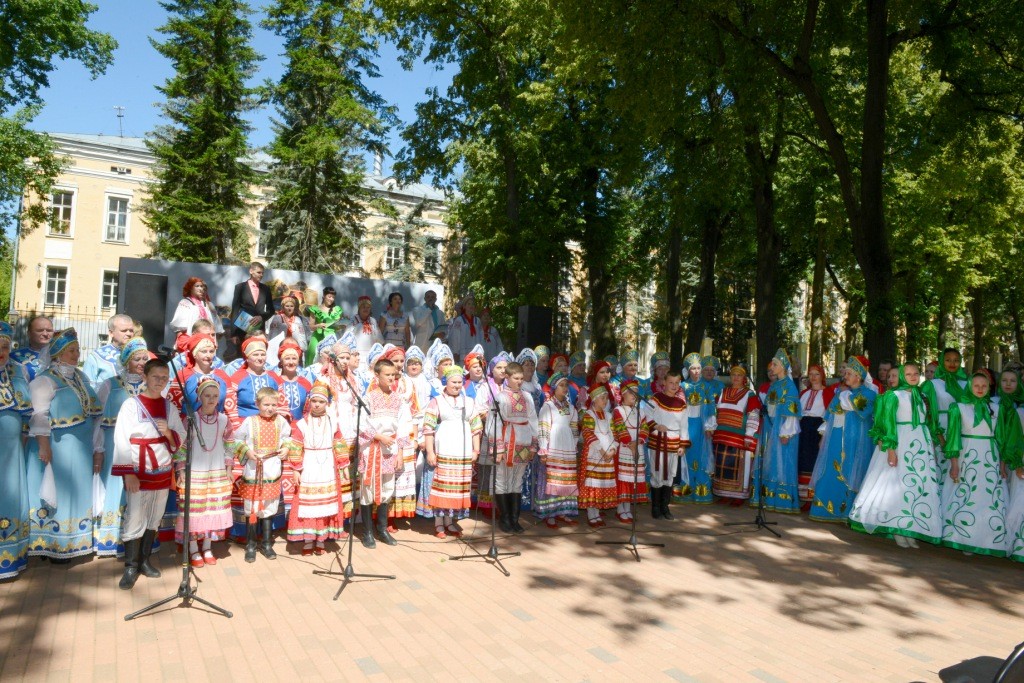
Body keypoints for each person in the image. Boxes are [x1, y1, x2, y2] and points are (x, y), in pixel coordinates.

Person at [849, 363, 942, 548]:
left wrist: (931, 444)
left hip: (920, 446)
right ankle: (895, 527)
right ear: (901, 375)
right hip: (902, 443)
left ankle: (910, 527)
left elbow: (929, 422)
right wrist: (891, 450)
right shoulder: (893, 396)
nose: (913, 376)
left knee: (915, 485)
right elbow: (889, 424)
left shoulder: (922, 396)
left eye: (916, 373)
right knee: (898, 484)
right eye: (908, 374)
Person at [28, 329, 102, 561]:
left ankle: (72, 542)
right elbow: (39, 415)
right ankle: (51, 545)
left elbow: (96, 415)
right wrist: (43, 446)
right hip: (57, 448)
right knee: (58, 495)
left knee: (77, 494)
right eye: (71, 350)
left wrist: (97, 448)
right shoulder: (45, 380)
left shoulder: (80, 377)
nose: (76, 354)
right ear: (58, 353)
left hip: (79, 449)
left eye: (78, 350)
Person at [112, 358, 185, 589]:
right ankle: (130, 566)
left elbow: (180, 437)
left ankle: (144, 561)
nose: (160, 382)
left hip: (162, 470)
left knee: (154, 515)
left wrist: (170, 433)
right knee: (135, 515)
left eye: (164, 378)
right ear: (145, 377)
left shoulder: (168, 406)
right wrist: (128, 474)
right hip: (139, 470)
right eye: (156, 377)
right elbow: (122, 440)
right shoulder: (131, 405)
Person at [941, 371, 1008, 556]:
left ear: (989, 388)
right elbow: (953, 438)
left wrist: (1002, 464)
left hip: (990, 459)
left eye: (984, 386)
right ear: (969, 386)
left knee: (986, 497)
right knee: (966, 494)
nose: (979, 389)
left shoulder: (996, 408)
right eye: (976, 385)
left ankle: (986, 537)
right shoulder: (959, 408)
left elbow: (1001, 439)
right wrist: (954, 463)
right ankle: (963, 536)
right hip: (967, 457)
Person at [92, 338, 148, 557]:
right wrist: (98, 448)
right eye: (137, 358)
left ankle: (138, 539)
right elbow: (97, 418)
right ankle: (111, 538)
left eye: (145, 358)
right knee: (116, 488)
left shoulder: (149, 384)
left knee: (139, 491)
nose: (142, 362)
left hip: (142, 449)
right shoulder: (110, 384)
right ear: (126, 361)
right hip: (115, 444)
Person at [808, 357, 877, 523]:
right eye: (845, 373)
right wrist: (823, 436)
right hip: (835, 437)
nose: (845, 376)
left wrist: (845, 395)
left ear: (859, 376)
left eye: (849, 373)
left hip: (855, 440)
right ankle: (825, 511)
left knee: (851, 469)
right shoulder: (840, 392)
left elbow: (859, 410)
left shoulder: (869, 394)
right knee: (830, 469)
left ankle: (846, 512)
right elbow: (829, 414)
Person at [175, 378, 233, 568]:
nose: (211, 399)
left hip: (216, 473)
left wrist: (229, 468)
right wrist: (181, 469)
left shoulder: (224, 420)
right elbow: (182, 446)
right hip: (196, 472)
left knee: (211, 508)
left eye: (215, 396)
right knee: (194, 511)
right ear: (199, 397)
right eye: (207, 395)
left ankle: (207, 547)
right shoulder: (190, 420)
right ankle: (193, 549)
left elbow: (229, 445)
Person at [228, 387, 290, 562]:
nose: (270, 408)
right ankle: (251, 544)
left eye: (273, 405)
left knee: (269, 507)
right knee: (252, 507)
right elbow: (238, 439)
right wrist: (247, 452)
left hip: (272, 467)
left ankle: (267, 543)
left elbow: (287, 437)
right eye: (266, 404)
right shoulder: (250, 421)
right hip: (254, 468)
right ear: (257, 404)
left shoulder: (281, 421)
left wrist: (285, 448)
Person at [286, 382, 348, 555]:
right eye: (314, 401)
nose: (317, 404)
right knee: (308, 505)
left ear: (327, 403)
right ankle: (307, 541)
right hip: (309, 466)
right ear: (309, 402)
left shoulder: (333, 422)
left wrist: (343, 466)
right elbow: (296, 447)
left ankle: (320, 539)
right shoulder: (301, 424)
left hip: (328, 465)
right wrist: (296, 469)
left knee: (325, 504)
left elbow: (339, 443)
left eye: (321, 401)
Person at [358, 359, 413, 548]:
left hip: (391, 448)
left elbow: (405, 425)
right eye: (387, 374)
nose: (391, 378)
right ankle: (367, 532)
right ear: (377, 375)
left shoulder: (399, 399)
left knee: (388, 488)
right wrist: (379, 436)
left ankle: (381, 529)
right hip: (373, 448)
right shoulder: (369, 398)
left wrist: (400, 453)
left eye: (393, 375)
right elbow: (362, 423)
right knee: (368, 489)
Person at [422, 366, 482, 538]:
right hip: (445, 446)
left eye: (459, 382)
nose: (457, 385)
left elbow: (476, 427)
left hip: (462, 449)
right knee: (442, 486)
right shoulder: (437, 401)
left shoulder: (469, 402)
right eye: (453, 382)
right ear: (445, 383)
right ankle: (439, 523)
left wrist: (475, 449)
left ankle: (450, 521)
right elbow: (428, 428)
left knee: (456, 487)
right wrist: (430, 452)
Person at [484, 361, 538, 534]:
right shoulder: (500, 397)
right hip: (507, 442)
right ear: (507, 377)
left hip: (523, 442)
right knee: (502, 479)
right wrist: (497, 447)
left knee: (517, 480)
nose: (519, 381)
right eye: (516, 378)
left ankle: (515, 519)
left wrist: (533, 444)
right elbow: (494, 423)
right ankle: (504, 518)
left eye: (521, 378)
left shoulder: (528, 397)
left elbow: (533, 420)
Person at [751, 349, 802, 514]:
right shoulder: (775, 385)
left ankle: (782, 500)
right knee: (769, 462)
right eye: (772, 364)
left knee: (781, 464)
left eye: (775, 364)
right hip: (769, 428)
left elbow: (792, 414)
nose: (772, 367)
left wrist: (786, 433)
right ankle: (766, 497)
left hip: (781, 433)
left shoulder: (790, 387)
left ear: (783, 367)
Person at [0, 322, 32, 579]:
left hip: (11, 454)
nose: (2, 350)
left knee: (10, 497)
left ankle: (10, 558)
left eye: (5, 346)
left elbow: (26, 414)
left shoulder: (17, 372)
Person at [640, 370, 689, 520]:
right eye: (671, 382)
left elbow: (684, 425)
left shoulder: (681, 404)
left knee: (670, 474)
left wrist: (683, 445)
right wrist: (656, 425)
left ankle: (665, 506)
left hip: (674, 442)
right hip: (659, 440)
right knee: (658, 473)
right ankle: (655, 507)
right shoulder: (656, 399)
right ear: (664, 383)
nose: (673, 386)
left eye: (676, 383)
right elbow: (646, 415)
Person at [534, 373, 580, 528]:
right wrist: (543, 448)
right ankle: (550, 513)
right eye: (561, 385)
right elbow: (543, 428)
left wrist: (573, 446)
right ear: (554, 388)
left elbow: (574, 428)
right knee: (552, 480)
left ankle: (563, 511)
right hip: (553, 446)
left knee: (565, 479)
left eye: (566, 385)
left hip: (567, 447)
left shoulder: (571, 408)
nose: (565, 388)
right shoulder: (548, 406)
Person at [709, 366, 761, 504]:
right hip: (721, 434)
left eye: (739, 375)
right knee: (721, 464)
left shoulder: (749, 394)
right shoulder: (723, 391)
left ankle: (738, 496)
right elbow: (714, 411)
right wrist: (711, 427)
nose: (736, 378)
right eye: (733, 375)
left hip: (739, 436)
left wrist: (750, 435)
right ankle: (724, 493)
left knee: (739, 466)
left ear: (744, 378)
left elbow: (754, 415)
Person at [678, 356, 720, 505]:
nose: (696, 371)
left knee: (702, 456)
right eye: (693, 368)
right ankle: (687, 489)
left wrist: (709, 427)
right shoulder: (682, 386)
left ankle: (701, 490)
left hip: (702, 427)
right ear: (688, 370)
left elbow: (711, 408)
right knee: (687, 456)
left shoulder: (706, 386)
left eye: (698, 368)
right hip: (687, 425)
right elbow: (679, 408)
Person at [578, 384, 619, 527]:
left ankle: (597, 514)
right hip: (595, 455)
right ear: (594, 400)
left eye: (607, 397)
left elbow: (614, 435)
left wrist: (612, 450)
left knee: (601, 484)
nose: (605, 400)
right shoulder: (589, 415)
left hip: (607, 456)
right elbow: (588, 434)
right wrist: (602, 451)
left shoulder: (608, 415)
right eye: (602, 398)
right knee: (592, 485)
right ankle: (591, 514)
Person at [611, 379, 648, 522]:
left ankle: (628, 509)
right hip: (625, 448)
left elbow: (644, 428)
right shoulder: (618, 410)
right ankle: (621, 509)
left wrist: (638, 442)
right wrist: (630, 444)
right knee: (623, 478)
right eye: (631, 392)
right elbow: (620, 428)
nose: (634, 395)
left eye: (637, 393)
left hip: (637, 446)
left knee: (633, 479)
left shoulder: (641, 411)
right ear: (623, 394)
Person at [998, 368, 1024, 562]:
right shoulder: (1019, 413)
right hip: (1012, 459)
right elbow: (1012, 440)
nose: (1008, 384)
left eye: (1012, 381)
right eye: (1004, 380)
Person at [797, 364, 829, 509]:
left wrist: (823, 435)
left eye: (817, 374)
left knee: (814, 463)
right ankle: (804, 497)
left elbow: (829, 416)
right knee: (802, 462)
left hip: (817, 430)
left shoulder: (828, 393)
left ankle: (813, 498)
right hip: (803, 429)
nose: (813, 377)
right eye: (810, 374)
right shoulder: (804, 393)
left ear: (822, 376)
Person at [229, 262, 274, 360]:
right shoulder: (240, 287)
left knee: (257, 355)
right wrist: (234, 333)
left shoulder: (266, 289)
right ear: (251, 271)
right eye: (259, 272)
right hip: (242, 329)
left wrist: (262, 317)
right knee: (241, 356)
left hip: (258, 330)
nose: (261, 275)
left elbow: (271, 310)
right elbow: (235, 309)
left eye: (262, 273)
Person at [82, 313, 135, 390]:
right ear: (111, 333)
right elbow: (87, 387)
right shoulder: (96, 357)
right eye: (124, 330)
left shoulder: (140, 355)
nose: (128, 334)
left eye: (131, 330)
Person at [170, 277, 223, 347]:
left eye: (202, 286)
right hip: (190, 342)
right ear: (190, 288)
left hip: (208, 343)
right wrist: (182, 344)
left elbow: (217, 328)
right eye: (197, 286)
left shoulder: (209, 305)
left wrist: (214, 341)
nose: (201, 289)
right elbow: (179, 329)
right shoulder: (185, 303)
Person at [266, 294, 311, 366]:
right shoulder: (278, 318)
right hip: (281, 348)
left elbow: (301, 335)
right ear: (283, 307)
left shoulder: (298, 319)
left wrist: (302, 348)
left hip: (295, 349)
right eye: (287, 306)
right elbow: (273, 335)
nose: (289, 308)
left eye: (291, 306)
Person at [306, 287, 344, 366]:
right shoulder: (315, 309)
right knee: (312, 353)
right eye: (329, 297)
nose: (331, 299)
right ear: (324, 296)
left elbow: (338, 324)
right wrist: (318, 325)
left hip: (330, 336)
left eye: (333, 297)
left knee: (332, 356)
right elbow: (311, 326)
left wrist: (340, 326)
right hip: (317, 336)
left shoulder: (337, 310)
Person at [12, 314, 53, 381]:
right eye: (40, 330)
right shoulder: (14, 358)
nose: (45, 334)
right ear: (29, 333)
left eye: (49, 330)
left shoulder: (60, 358)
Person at [350, 295, 384, 369]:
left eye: (368, 307)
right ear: (359, 308)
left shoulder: (373, 321)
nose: (366, 309)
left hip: (370, 355)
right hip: (357, 356)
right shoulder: (353, 320)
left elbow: (379, 340)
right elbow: (348, 340)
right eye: (363, 307)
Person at [447, 294, 483, 364]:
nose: (471, 306)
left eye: (472, 304)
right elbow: (455, 337)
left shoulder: (477, 320)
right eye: (469, 304)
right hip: (462, 353)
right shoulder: (459, 320)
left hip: (476, 352)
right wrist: (455, 352)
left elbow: (481, 337)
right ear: (464, 306)